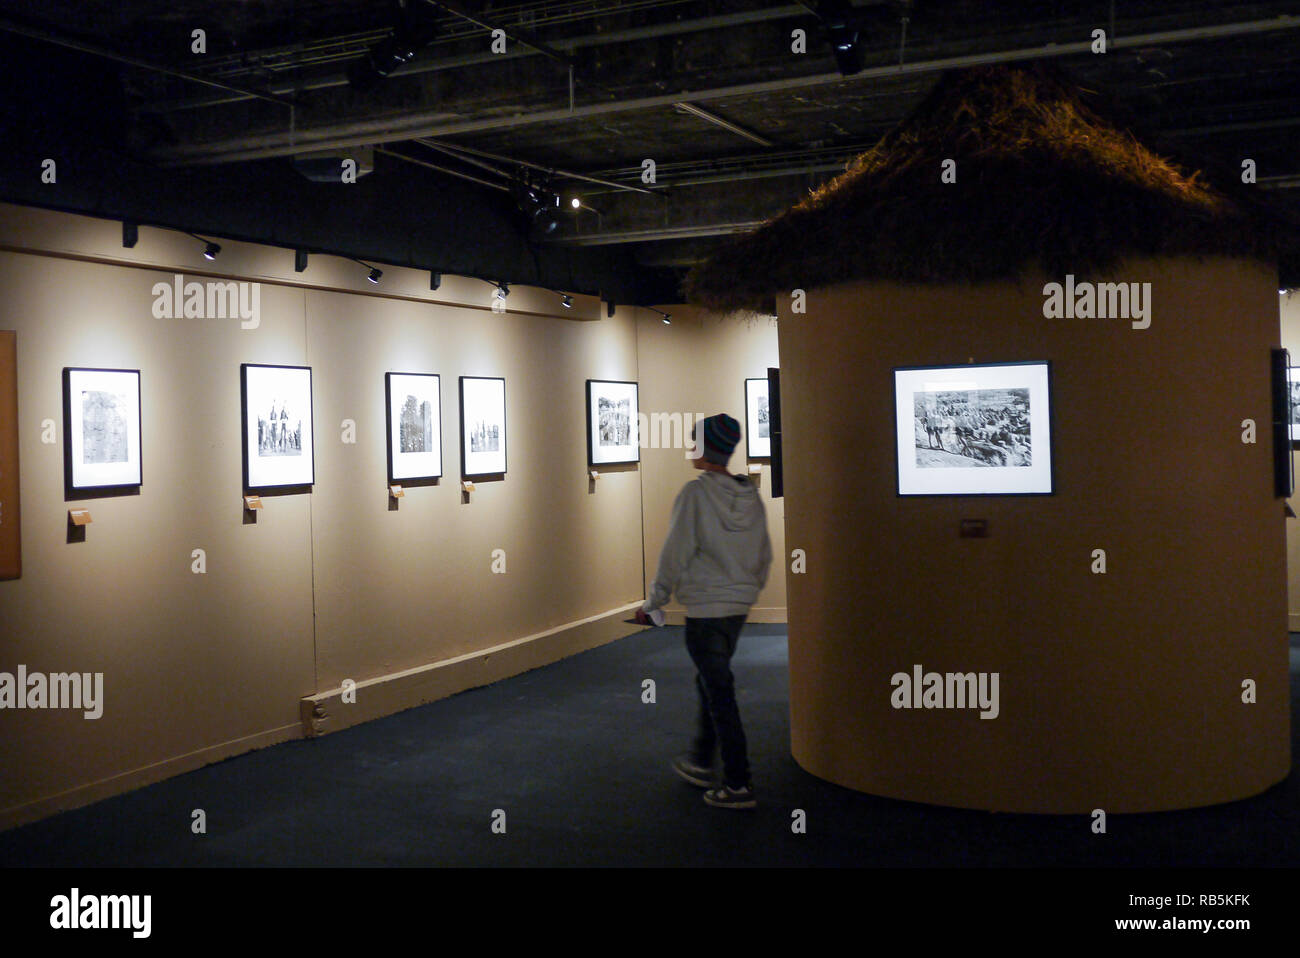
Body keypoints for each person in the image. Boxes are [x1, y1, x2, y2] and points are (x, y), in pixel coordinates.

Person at [635, 413, 772, 810]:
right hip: (736, 608)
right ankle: (699, 759)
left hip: (706, 609)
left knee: (719, 690)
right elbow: (763, 554)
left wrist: (654, 601)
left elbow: (674, 553)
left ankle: (738, 782)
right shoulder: (751, 496)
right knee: (712, 682)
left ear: (703, 448)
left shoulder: (694, 495)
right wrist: (747, 590)